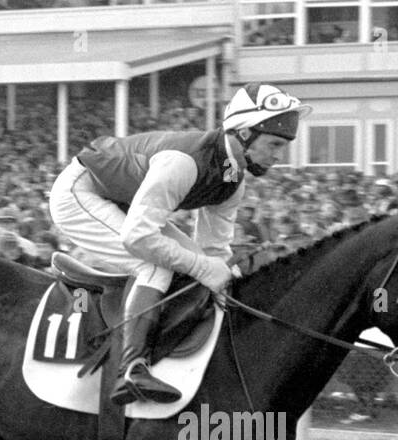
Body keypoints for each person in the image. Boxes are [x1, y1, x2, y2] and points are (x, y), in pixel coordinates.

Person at [49, 81, 310, 405]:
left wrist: (224, 278)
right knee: (154, 263)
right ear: (244, 133)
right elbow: (138, 238)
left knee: (194, 261)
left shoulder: (233, 182)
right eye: (273, 144)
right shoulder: (184, 163)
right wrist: (202, 266)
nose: (278, 156)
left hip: (122, 200)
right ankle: (130, 370)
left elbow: (213, 252)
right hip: (80, 192)